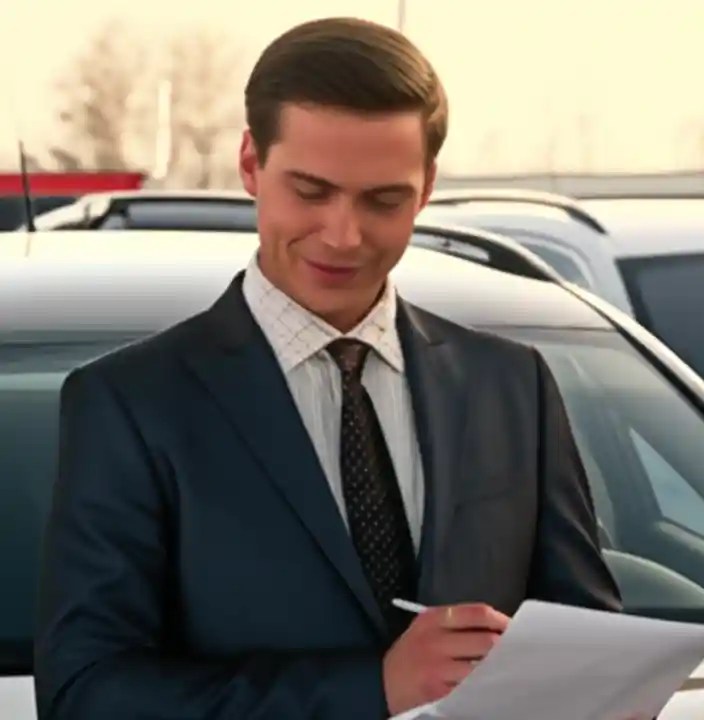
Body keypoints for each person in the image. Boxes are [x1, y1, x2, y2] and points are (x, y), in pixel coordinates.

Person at [33, 17, 621, 720]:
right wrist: (369, 689)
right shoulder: (130, 404)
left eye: (383, 200)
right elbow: (86, 696)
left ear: (427, 187)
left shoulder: (511, 386)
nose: (344, 235)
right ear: (251, 163)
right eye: (311, 192)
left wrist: (608, 693)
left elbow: (588, 641)